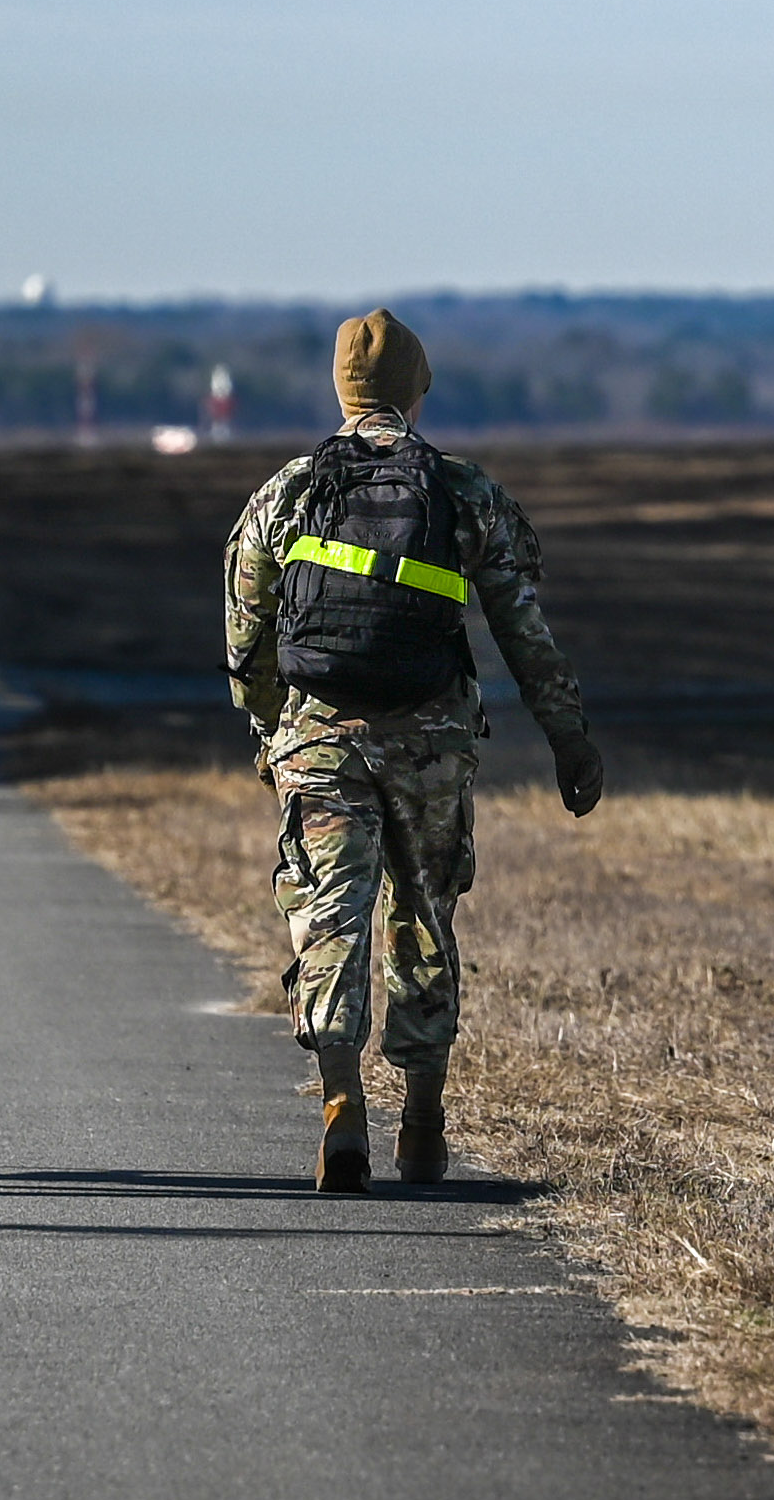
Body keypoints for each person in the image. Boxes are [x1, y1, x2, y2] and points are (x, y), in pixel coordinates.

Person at [223, 308, 603, 1193]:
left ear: (341, 391)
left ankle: (341, 1104)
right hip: (432, 741)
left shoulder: (287, 492)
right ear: (418, 391)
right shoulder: (463, 492)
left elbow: (246, 637)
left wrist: (270, 729)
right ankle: (424, 1122)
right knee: (424, 916)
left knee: (328, 913)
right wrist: (569, 739)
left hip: (319, 736)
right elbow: (523, 631)